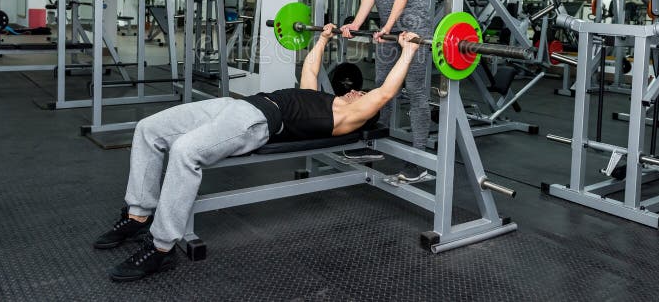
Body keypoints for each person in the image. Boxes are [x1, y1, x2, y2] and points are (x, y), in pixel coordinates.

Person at [94, 24, 421, 282]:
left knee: (184, 152)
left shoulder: (349, 116)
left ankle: (161, 247)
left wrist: (408, 51)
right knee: (148, 129)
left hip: (258, 120)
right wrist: (323, 38)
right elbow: (309, 70)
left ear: (364, 112)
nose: (356, 91)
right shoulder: (321, 99)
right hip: (236, 105)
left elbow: (385, 92)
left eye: (362, 94)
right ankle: (138, 216)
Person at [340, 0, 431, 183]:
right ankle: (374, 144)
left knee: (416, 91)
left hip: (414, 25)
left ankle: (420, 160)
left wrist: (390, 25)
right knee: (381, 87)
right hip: (387, 28)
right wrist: (355, 22)